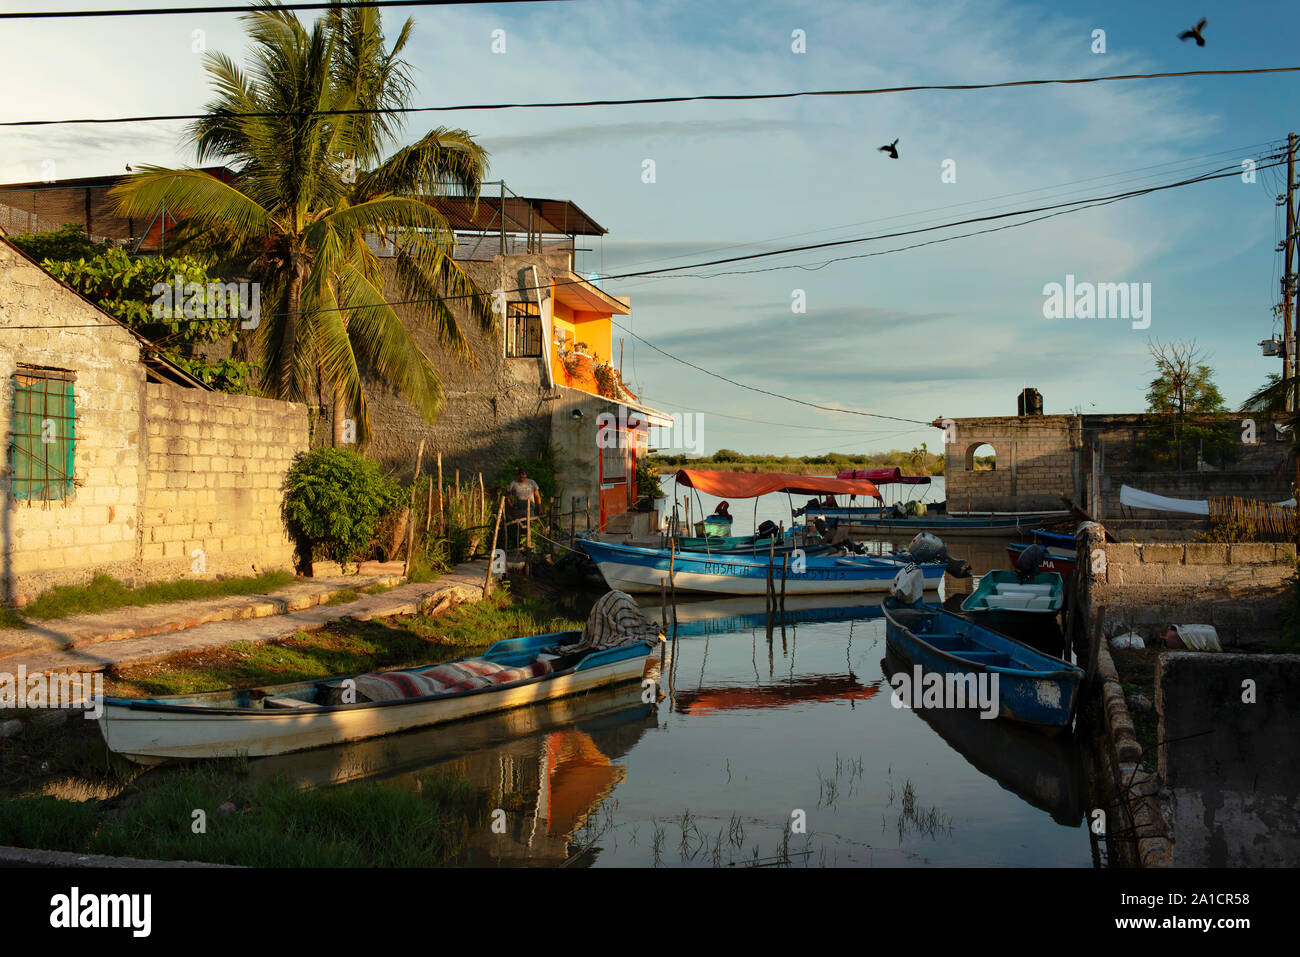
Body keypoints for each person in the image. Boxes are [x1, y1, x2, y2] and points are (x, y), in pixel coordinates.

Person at [506, 468, 542, 548]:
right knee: (519, 529)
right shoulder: (513, 484)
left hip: (529, 510)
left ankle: (531, 545)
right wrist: (510, 505)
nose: (522, 476)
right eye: (520, 474)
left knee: (530, 527)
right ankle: (520, 546)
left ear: (526, 475)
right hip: (517, 511)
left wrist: (540, 509)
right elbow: (506, 496)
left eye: (523, 474)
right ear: (517, 475)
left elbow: (537, 497)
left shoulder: (532, 483)